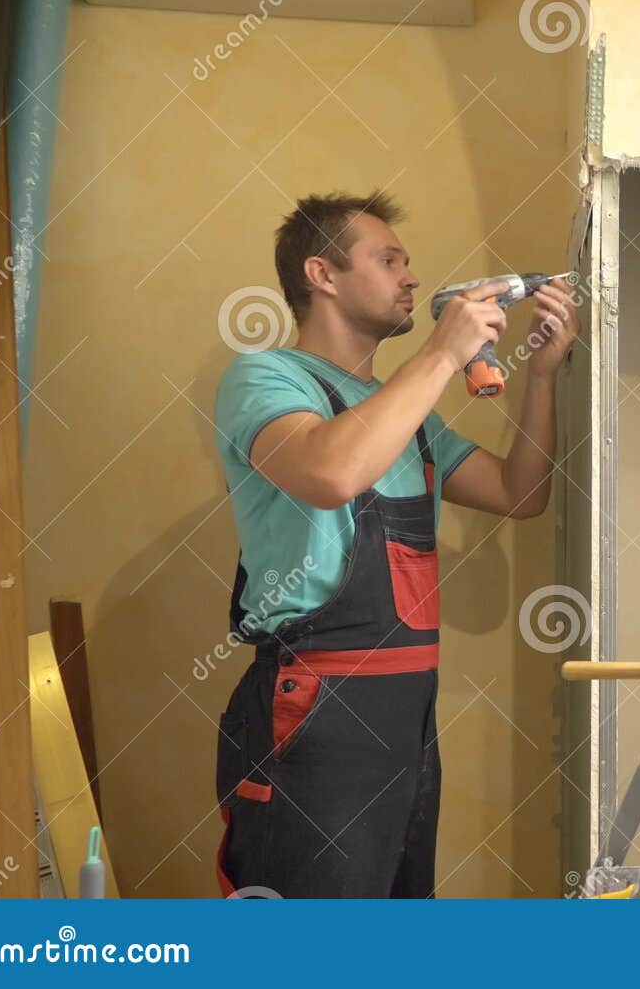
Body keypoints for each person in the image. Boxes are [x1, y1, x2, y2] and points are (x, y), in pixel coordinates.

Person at [210, 190, 577, 897]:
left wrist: (541, 377)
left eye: (409, 263)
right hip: (313, 713)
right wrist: (444, 353)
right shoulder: (264, 377)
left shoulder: (406, 417)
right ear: (322, 275)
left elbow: (521, 494)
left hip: (406, 715)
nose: (411, 277)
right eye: (388, 260)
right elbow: (329, 471)